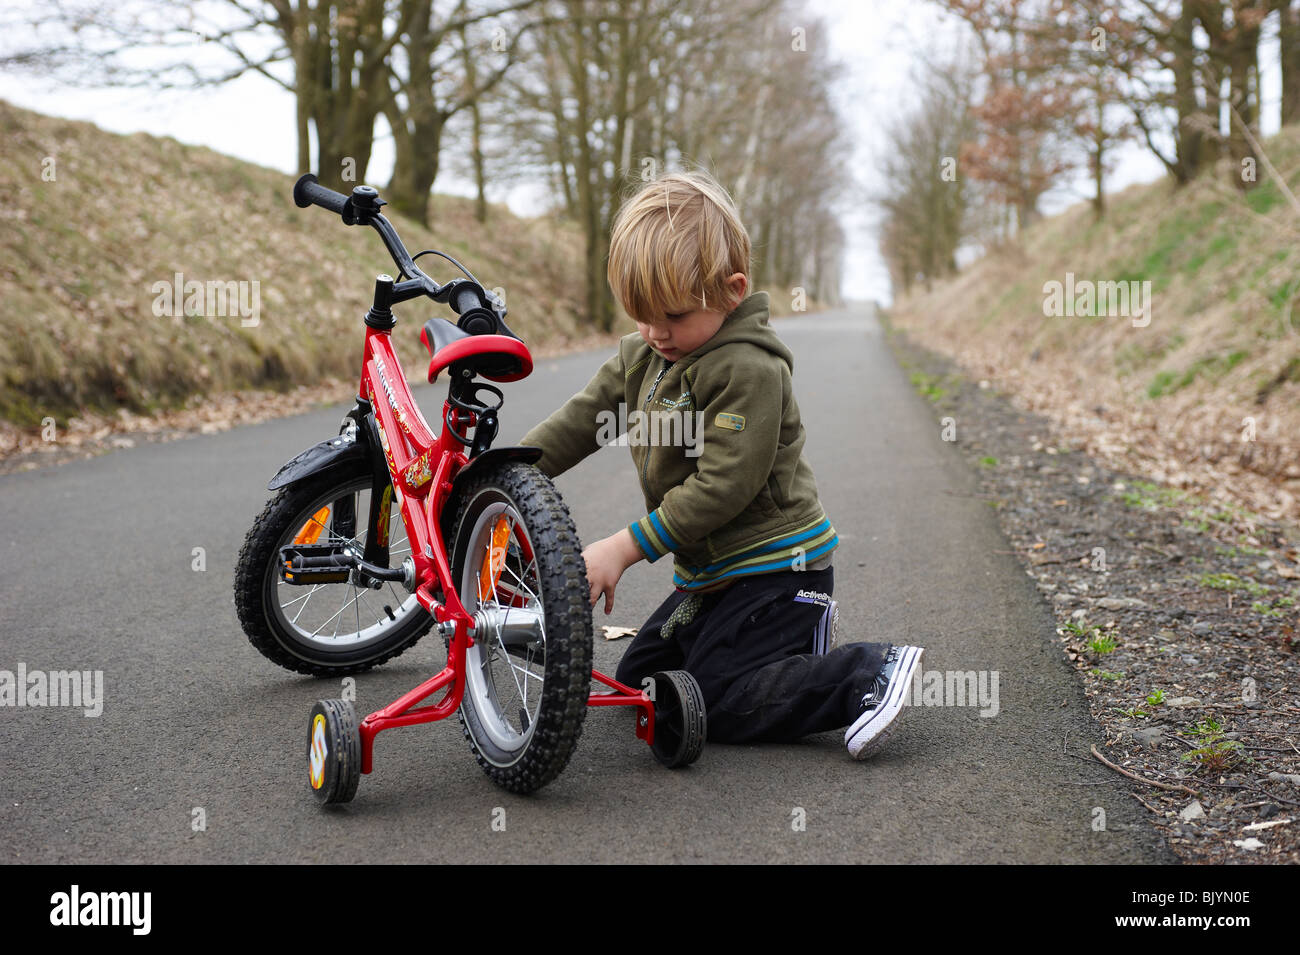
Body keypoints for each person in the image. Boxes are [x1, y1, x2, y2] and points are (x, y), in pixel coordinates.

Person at [518, 168, 924, 758]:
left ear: (732, 291)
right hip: (712, 578)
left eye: (675, 316)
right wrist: (505, 474)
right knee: (641, 691)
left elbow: (725, 484)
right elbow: (580, 420)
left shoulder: (749, 369)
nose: (656, 332)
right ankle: (768, 655)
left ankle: (864, 675)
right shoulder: (644, 356)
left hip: (779, 572)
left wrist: (624, 548)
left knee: (710, 700)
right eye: (641, 313)